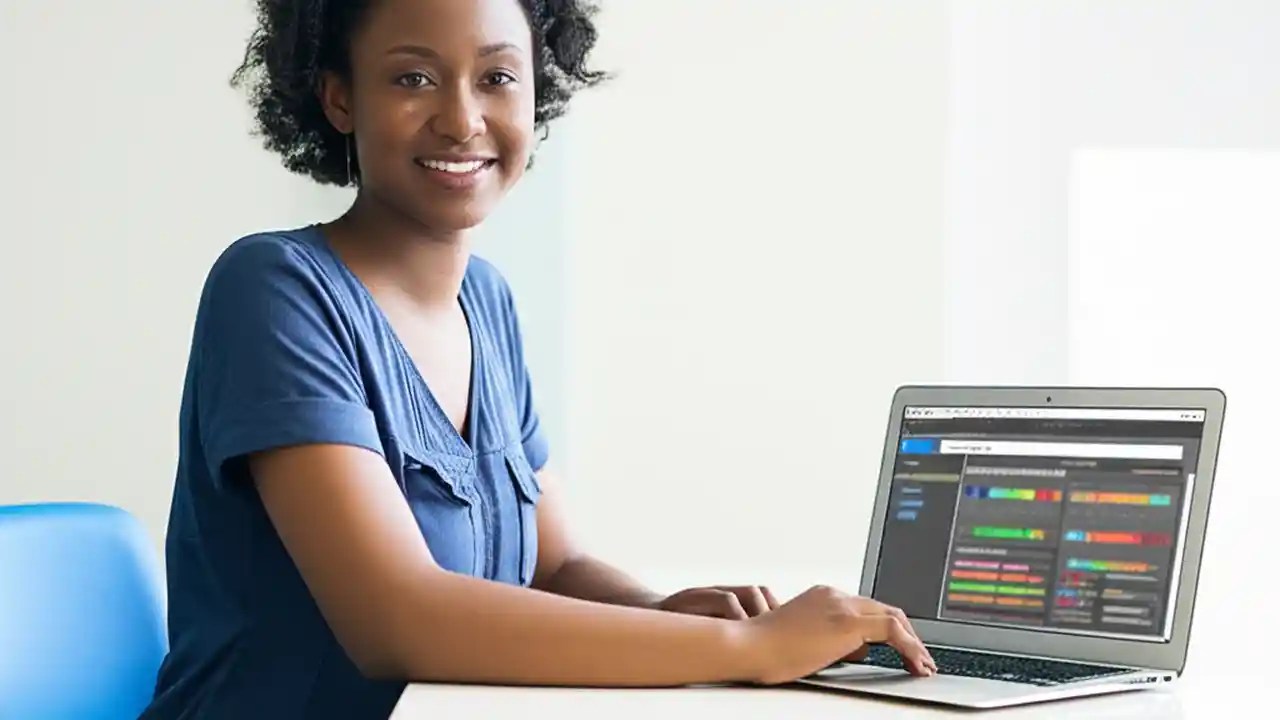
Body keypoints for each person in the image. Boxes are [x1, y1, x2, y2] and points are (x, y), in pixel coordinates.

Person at [141, 0, 937, 717]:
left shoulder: (486, 303)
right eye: (413, 77)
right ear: (339, 96)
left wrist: (663, 611)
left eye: (496, 77)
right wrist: (750, 652)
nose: (461, 119)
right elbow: (394, 620)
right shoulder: (275, 290)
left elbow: (553, 566)